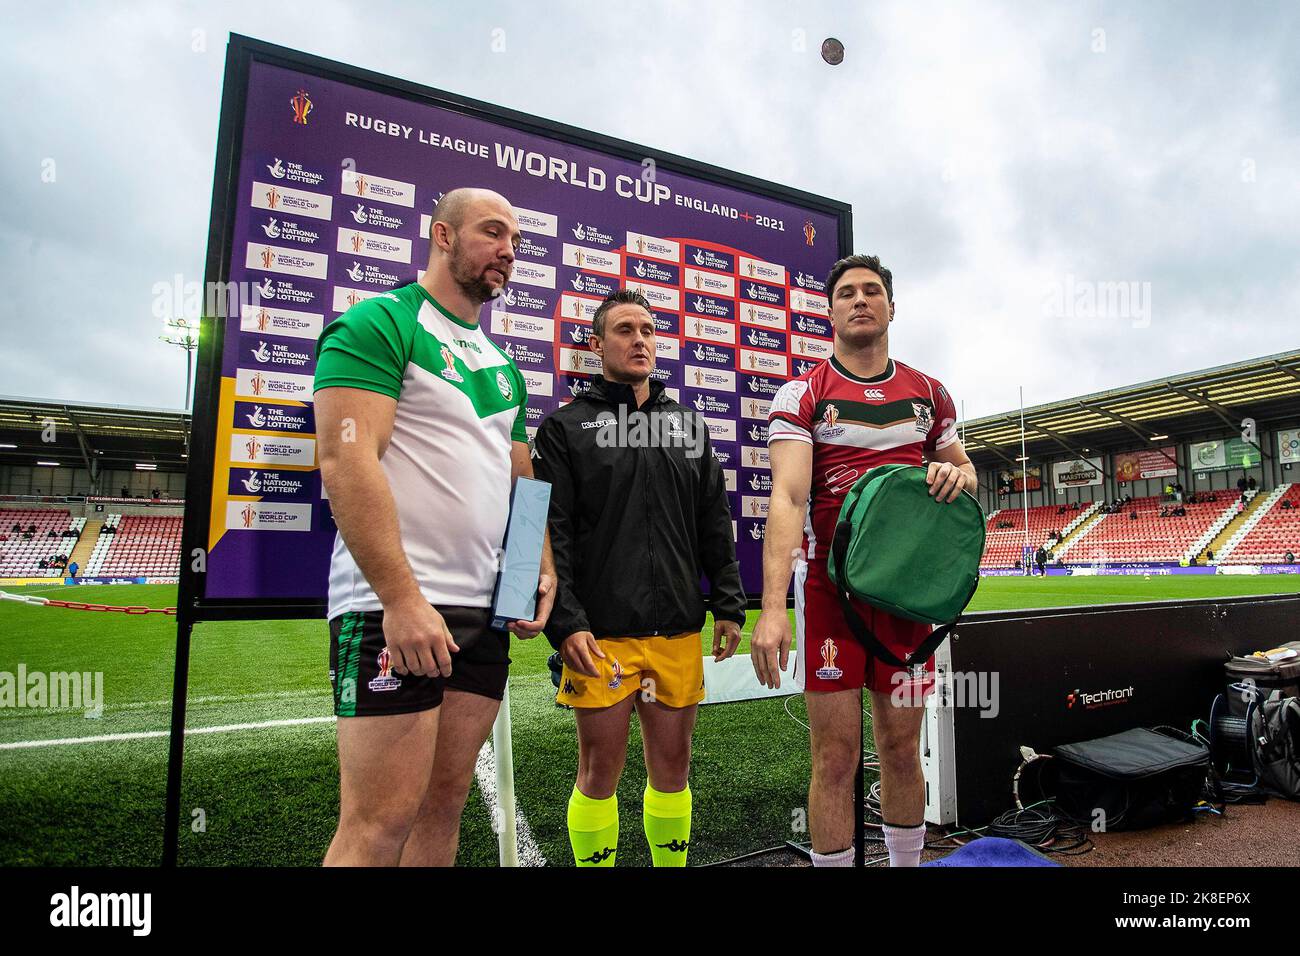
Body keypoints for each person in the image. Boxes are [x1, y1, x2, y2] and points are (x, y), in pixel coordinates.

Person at [313, 187, 556, 867]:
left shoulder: (503, 367)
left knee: (443, 807)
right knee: (376, 822)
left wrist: (539, 564)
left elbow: (522, 478)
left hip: (482, 614)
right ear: (443, 236)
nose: (508, 250)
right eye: (492, 232)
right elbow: (345, 458)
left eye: (515, 239)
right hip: (396, 608)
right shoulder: (378, 321)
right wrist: (400, 597)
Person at [752, 254, 976, 867]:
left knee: (902, 748)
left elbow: (966, 473)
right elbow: (790, 499)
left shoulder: (930, 393)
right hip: (829, 596)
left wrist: (952, 474)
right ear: (828, 311)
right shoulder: (804, 393)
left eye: (871, 291)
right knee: (835, 756)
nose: (859, 300)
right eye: (846, 292)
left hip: (905, 596)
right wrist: (773, 609)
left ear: (891, 308)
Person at [534, 289, 746, 868]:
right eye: (625, 330)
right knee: (599, 772)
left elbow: (713, 521)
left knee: (672, 772)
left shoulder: (687, 426)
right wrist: (567, 624)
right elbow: (549, 534)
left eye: (648, 329)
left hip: (677, 629)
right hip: (602, 636)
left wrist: (728, 604)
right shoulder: (565, 428)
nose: (640, 339)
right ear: (597, 345)